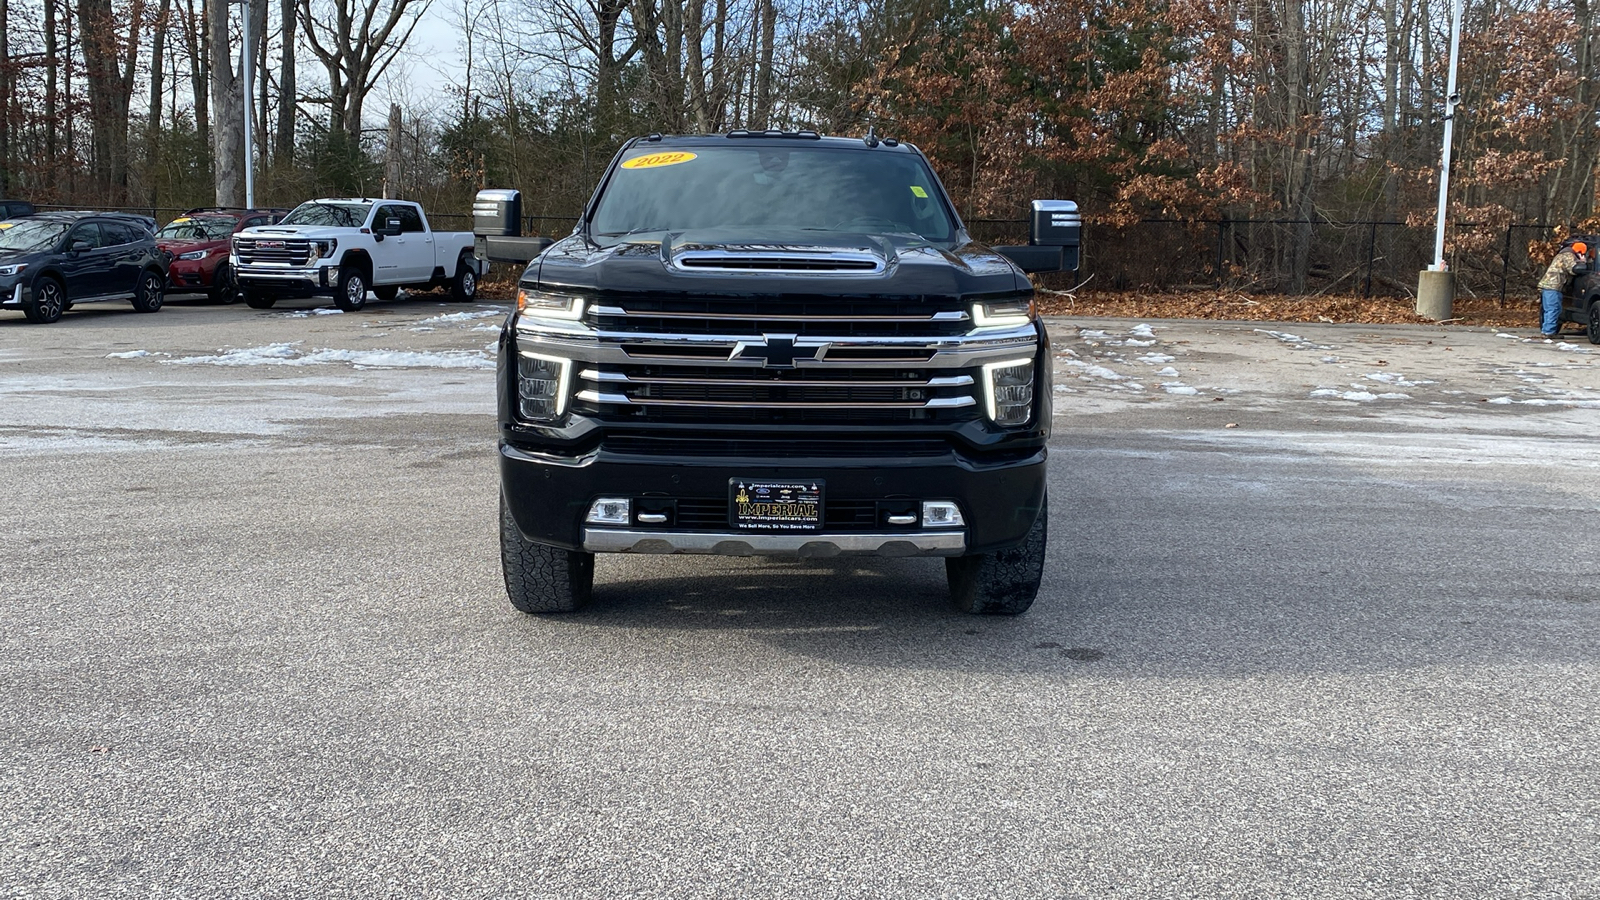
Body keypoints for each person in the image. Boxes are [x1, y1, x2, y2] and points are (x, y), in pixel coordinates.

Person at [1538, 240, 1588, 338]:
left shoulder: (1563, 254)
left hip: (1549, 285)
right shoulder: (1568, 255)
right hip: (1553, 285)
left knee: (1552, 309)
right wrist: (1582, 262)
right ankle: (1549, 332)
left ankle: (1546, 330)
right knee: (1553, 309)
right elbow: (1573, 269)